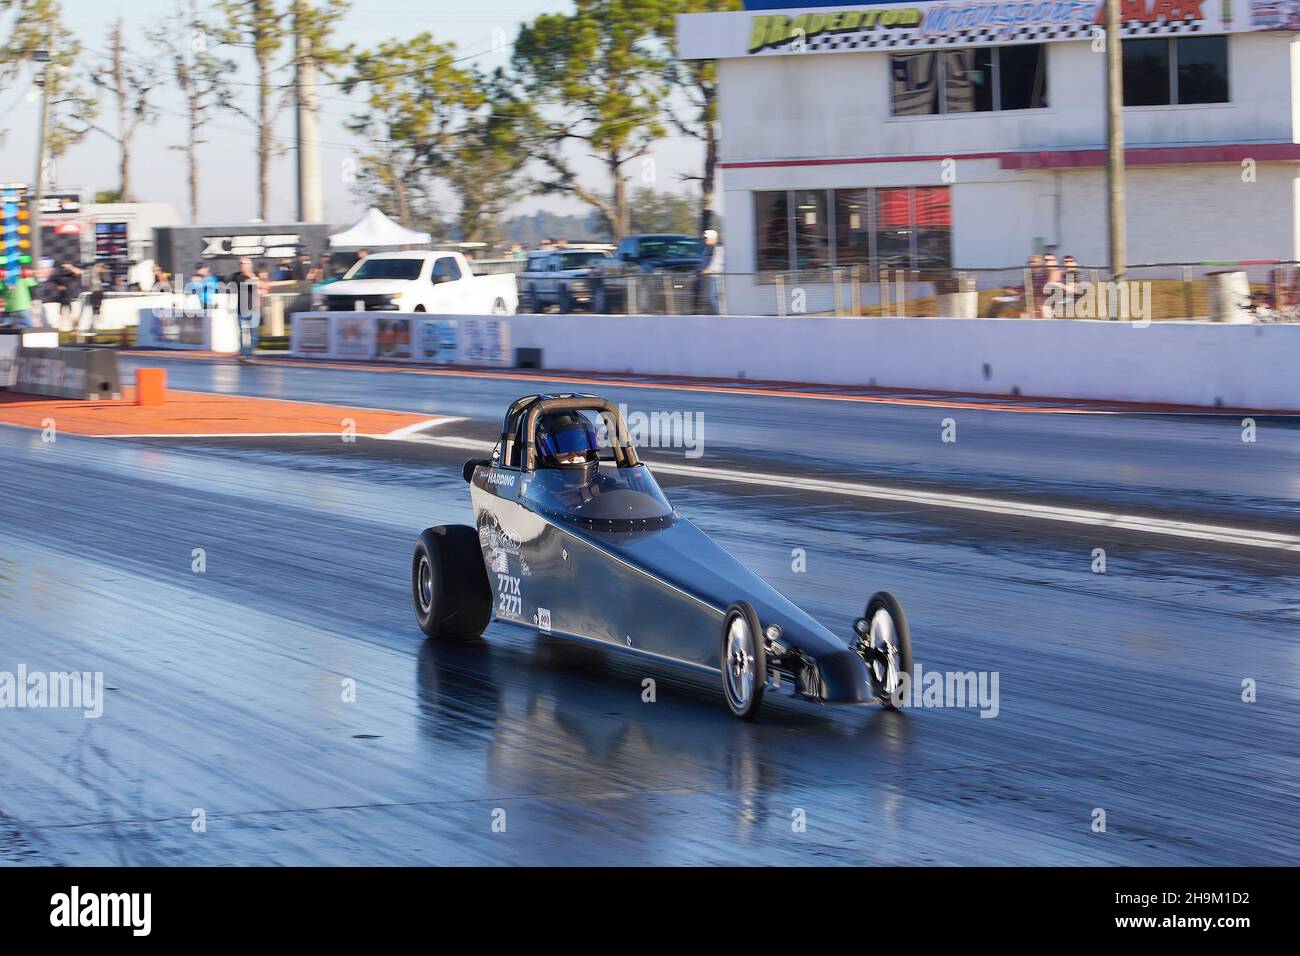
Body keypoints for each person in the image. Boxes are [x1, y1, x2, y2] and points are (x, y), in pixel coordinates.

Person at [695, 228, 725, 314]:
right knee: (706, 298)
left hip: (715, 278)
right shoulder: (706, 249)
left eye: (706, 238)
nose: (704, 240)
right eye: (704, 238)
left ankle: (719, 316)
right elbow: (703, 262)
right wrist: (698, 270)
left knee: (714, 299)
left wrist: (706, 271)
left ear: (713, 238)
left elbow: (716, 263)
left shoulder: (718, 248)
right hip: (707, 278)